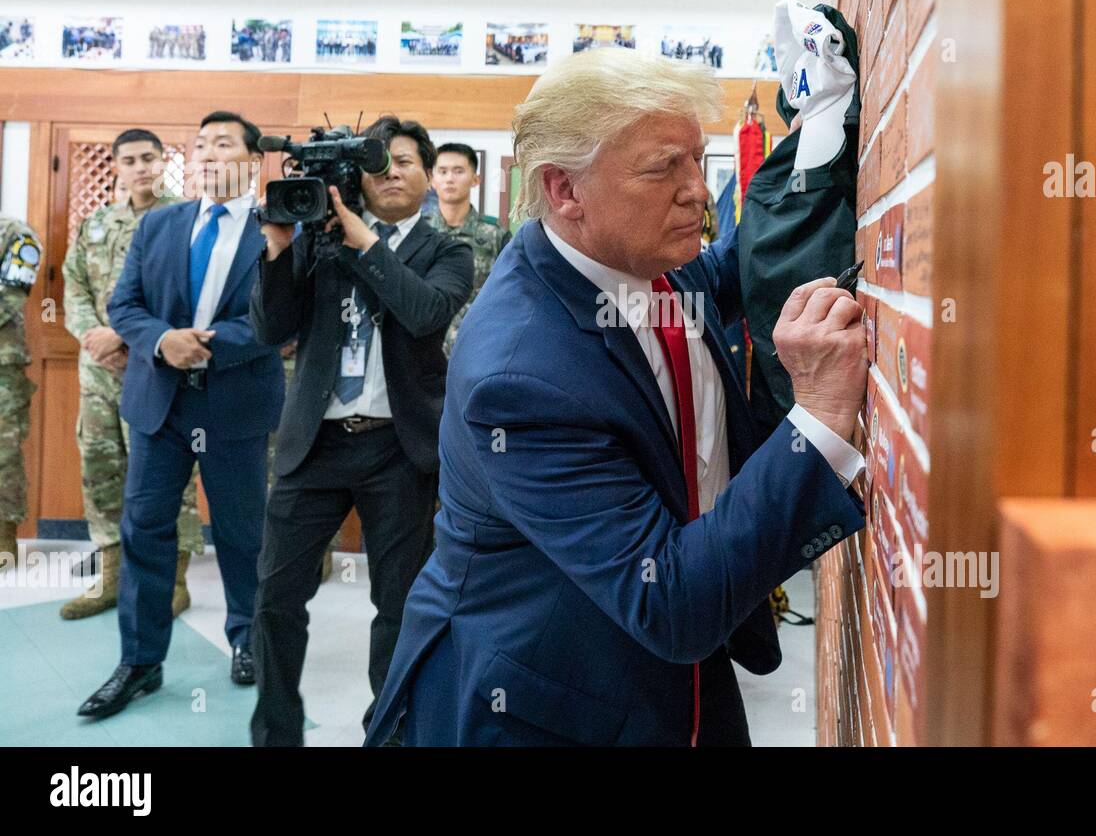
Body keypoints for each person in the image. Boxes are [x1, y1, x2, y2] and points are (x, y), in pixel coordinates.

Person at [364, 48, 868, 747]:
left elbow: (742, 264)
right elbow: (670, 601)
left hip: (666, 671)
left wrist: (817, 130)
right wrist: (816, 416)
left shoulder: (634, 260)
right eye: (665, 168)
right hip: (550, 703)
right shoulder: (522, 377)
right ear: (565, 190)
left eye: (699, 157)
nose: (698, 189)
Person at [249, 116, 472, 746]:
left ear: (427, 176)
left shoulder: (447, 248)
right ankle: (276, 736)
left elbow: (426, 314)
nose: (392, 173)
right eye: (380, 164)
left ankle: (391, 733)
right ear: (358, 179)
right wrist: (278, 247)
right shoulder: (319, 241)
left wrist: (363, 243)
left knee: (398, 609)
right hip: (312, 445)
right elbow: (271, 330)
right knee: (274, 600)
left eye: (405, 161)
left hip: (397, 449)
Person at [77, 111, 285, 720]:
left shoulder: (276, 232)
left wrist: (211, 343)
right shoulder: (160, 225)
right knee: (144, 529)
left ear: (252, 160)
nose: (207, 153)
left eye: (223, 143)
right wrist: (164, 340)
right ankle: (139, 661)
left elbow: (280, 318)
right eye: (199, 145)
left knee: (244, 533)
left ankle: (247, 640)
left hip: (235, 403)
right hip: (159, 401)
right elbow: (125, 304)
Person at [61, 130, 205, 621]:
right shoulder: (96, 224)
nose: (141, 167)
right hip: (97, 371)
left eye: (149, 158)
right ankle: (110, 580)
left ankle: (173, 580)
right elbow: (73, 287)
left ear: (164, 162)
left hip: (154, 368)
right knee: (100, 473)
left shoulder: (183, 221)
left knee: (166, 478)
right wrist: (93, 337)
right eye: (130, 160)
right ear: (117, 166)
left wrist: (127, 338)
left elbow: (187, 297)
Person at [423, 143, 510, 357]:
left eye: (458, 171)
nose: (450, 178)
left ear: (475, 179)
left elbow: (509, 294)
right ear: (432, 180)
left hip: (477, 349)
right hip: (423, 351)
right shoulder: (420, 231)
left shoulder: (495, 234)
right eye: (442, 172)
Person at [0, 215, 42, 567]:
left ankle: (3, 539)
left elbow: (12, 294)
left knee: (3, 454)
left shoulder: (16, 234)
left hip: (2, 365)